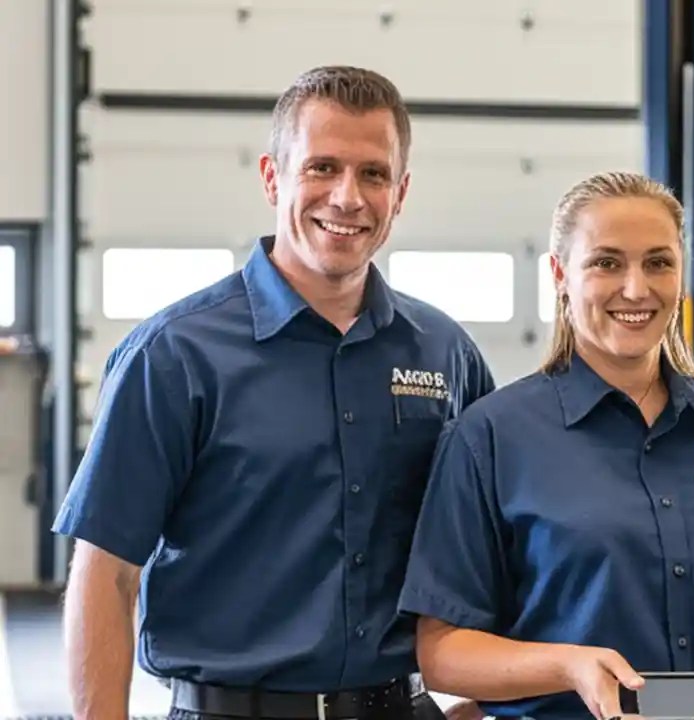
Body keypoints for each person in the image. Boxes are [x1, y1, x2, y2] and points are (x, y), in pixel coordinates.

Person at [52, 65, 494, 720]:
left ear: (400, 193)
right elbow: (106, 575)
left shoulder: (445, 353)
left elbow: (504, 540)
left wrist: (489, 702)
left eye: (373, 173)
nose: (347, 197)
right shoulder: (175, 356)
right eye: (322, 167)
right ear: (271, 177)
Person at [395, 171, 694, 720]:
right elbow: (443, 653)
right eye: (607, 262)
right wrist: (568, 666)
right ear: (560, 275)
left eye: (658, 262)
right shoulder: (492, 436)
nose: (637, 289)